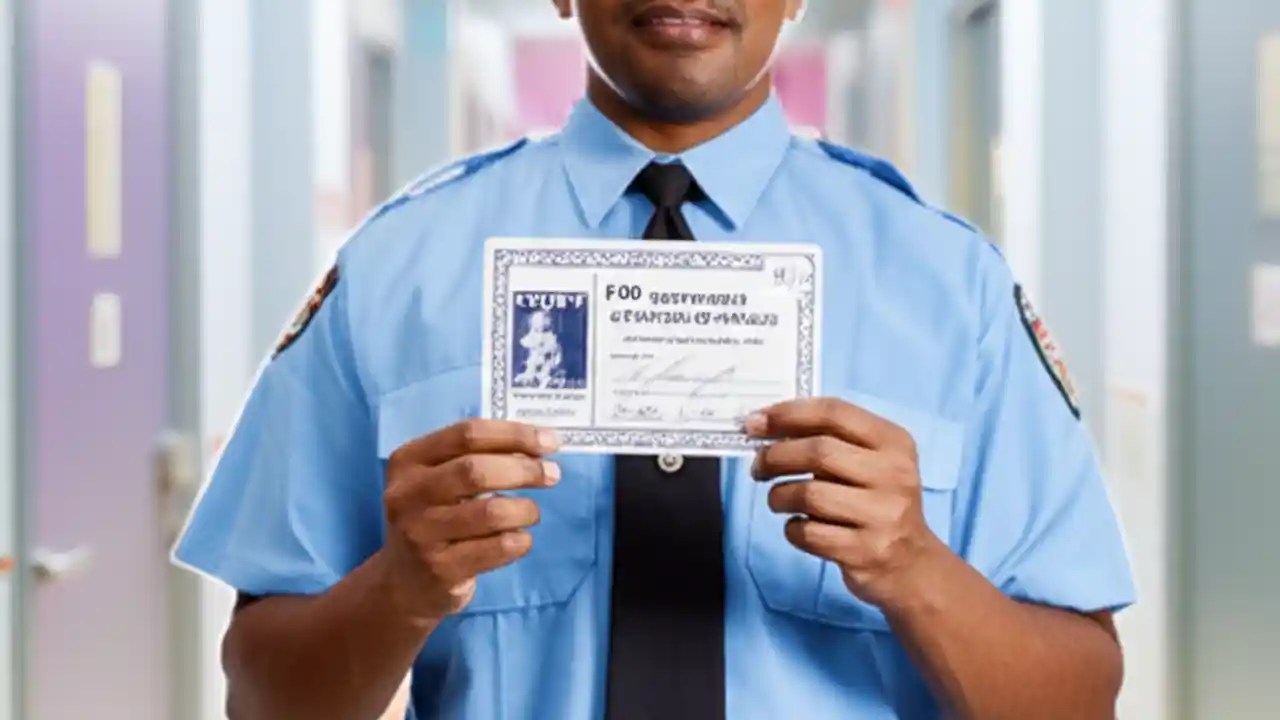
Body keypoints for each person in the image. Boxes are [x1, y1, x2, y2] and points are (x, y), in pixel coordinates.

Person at [173, 0, 1135, 718]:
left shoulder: (948, 281)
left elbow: (1083, 694)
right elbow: (262, 693)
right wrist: (398, 591)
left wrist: (917, 567)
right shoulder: (397, 272)